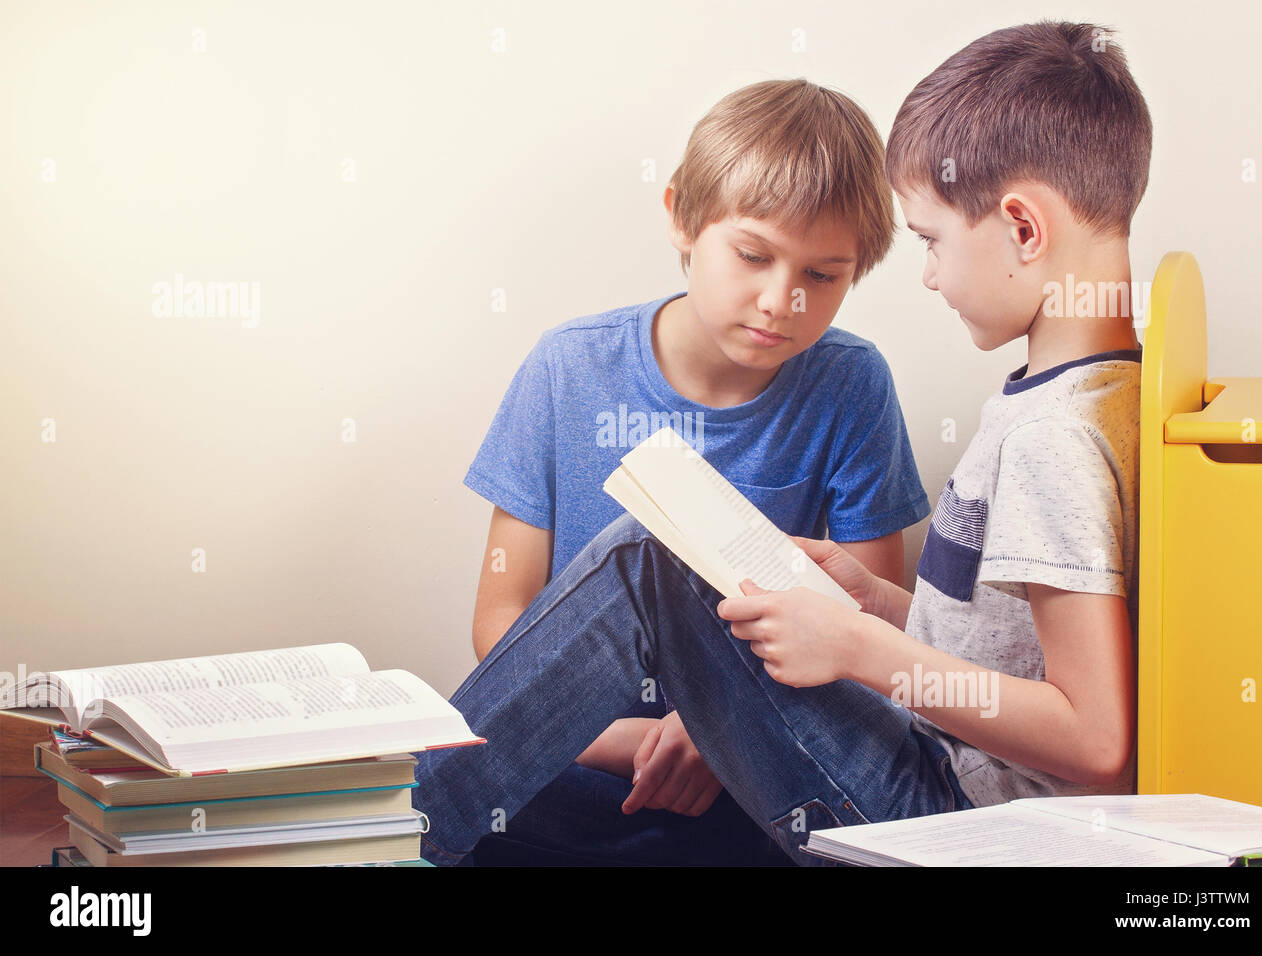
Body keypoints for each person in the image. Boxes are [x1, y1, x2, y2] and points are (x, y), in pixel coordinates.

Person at [418, 18, 1151, 865]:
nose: (930, 275)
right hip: (940, 781)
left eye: (931, 242)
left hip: (953, 815)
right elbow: (1001, 656)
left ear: (1023, 229)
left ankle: (400, 825)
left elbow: (1097, 739)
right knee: (649, 564)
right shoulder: (1076, 400)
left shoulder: (1050, 437)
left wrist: (858, 643)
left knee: (643, 560)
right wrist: (871, 606)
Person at [459, 78, 932, 864]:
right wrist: (637, 742)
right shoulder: (567, 367)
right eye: (753, 255)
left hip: (750, 796)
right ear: (682, 217)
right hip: (563, 779)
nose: (783, 299)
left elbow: (864, 646)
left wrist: (719, 738)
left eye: (824, 276)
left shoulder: (851, 383)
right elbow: (500, 622)